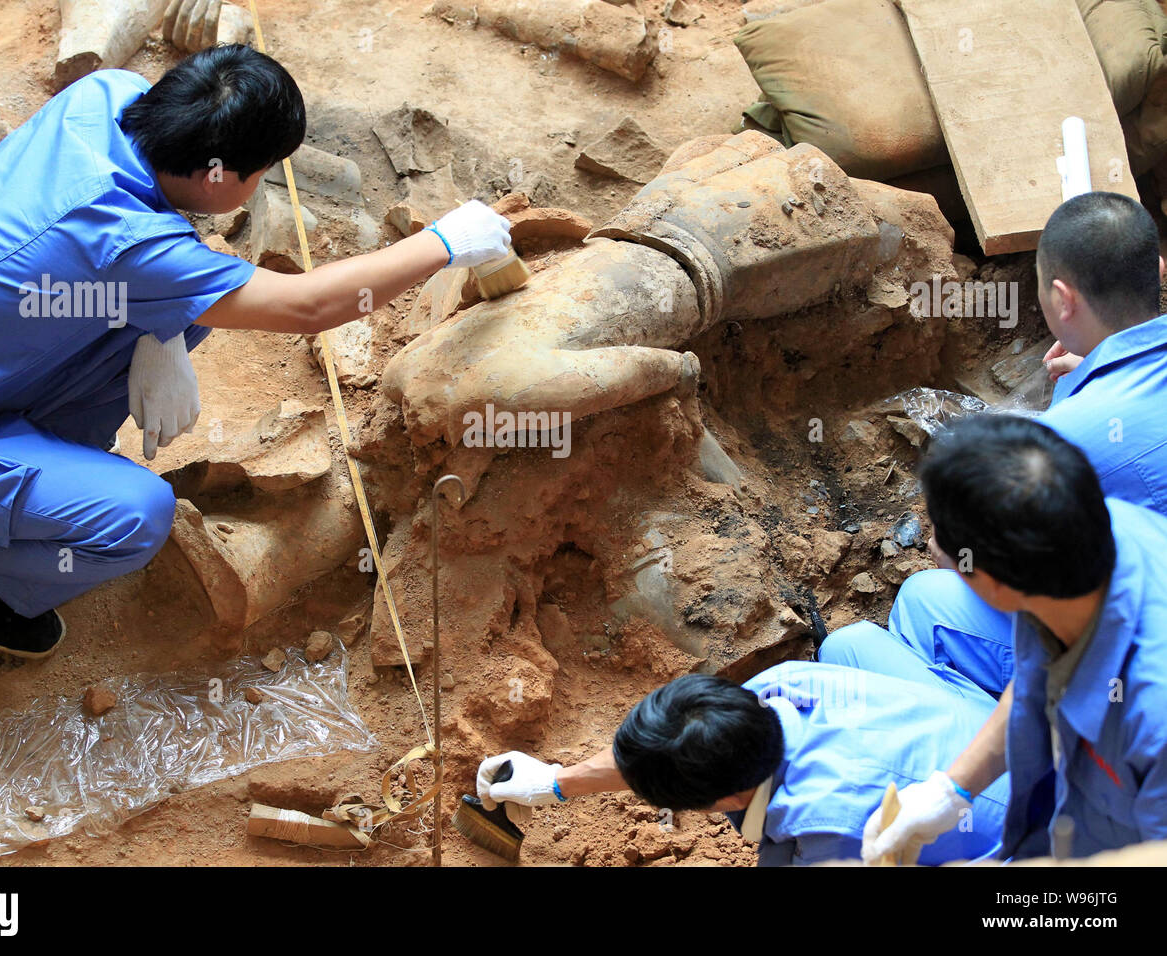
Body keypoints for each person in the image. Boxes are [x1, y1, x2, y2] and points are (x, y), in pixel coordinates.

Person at [0, 45, 511, 659]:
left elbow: (131, 271)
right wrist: (448, 240)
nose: (256, 187)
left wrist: (163, 327)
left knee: (183, 310)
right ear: (220, 175)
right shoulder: (131, 244)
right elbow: (309, 306)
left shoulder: (104, 94)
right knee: (138, 517)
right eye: (258, 175)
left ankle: (36, 472)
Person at [880, 191, 1167, 697]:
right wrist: (1094, 383)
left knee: (923, 597)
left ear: (1062, 298)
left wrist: (951, 547)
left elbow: (962, 558)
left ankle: (991, 728)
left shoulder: (1059, 445)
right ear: (1158, 269)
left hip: (1135, 669)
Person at [858, 415, 1167, 862]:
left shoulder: (1151, 718)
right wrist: (952, 790)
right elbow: (1036, 678)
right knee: (922, 598)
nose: (930, 547)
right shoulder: (1080, 529)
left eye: (938, 538)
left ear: (994, 589)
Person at [476, 655, 1010, 866]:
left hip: (1025, 825)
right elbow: (672, 748)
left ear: (726, 801)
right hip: (967, 734)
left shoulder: (832, 835)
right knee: (853, 642)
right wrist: (554, 782)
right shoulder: (777, 687)